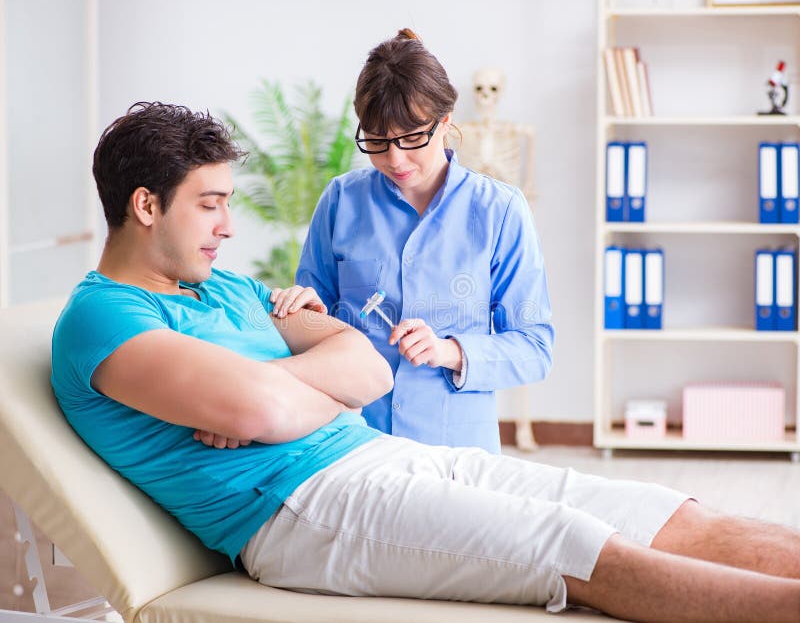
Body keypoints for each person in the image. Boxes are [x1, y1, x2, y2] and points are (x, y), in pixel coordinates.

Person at [52, 102, 800, 622]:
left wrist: (269, 391)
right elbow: (276, 409)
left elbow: (368, 369)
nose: (228, 225)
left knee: (647, 510)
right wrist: (281, 398)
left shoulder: (226, 289)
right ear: (147, 206)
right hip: (299, 513)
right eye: (209, 204)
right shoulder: (105, 317)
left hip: (380, 454)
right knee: (571, 544)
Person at [275, 29, 553, 453]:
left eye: (411, 139)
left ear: (445, 122)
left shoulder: (500, 211)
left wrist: (450, 352)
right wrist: (306, 313)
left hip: (456, 451)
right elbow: (309, 325)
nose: (395, 159)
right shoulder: (340, 201)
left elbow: (534, 347)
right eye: (377, 142)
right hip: (354, 442)